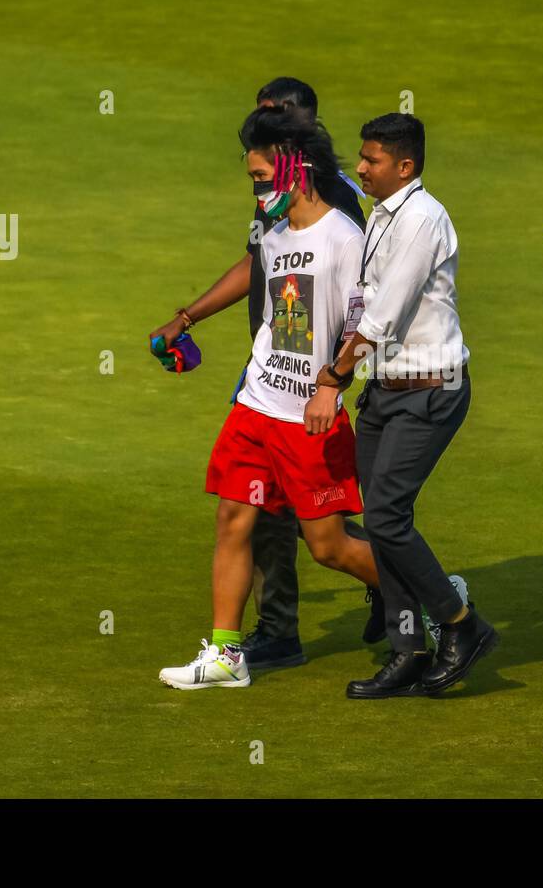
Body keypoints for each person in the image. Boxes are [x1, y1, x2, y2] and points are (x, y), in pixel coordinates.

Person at [156, 108, 380, 689]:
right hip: (257, 404)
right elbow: (286, 323)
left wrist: (333, 386)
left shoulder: (345, 239)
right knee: (233, 519)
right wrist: (189, 321)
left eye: (262, 180)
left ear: (295, 169)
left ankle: (426, 591)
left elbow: (367, 325)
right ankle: (227, 653)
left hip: (309, 418)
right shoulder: (276, 237)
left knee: (328, 547)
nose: (258, 195)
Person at [312, 113, 498, 698]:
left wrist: (331, 380)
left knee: (388, 516)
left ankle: (462, 624)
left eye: (370, 160)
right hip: (388, 391)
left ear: (405, 166)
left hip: (429, 390)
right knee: (382, 521)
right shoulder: (383, 216)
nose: (360, 168)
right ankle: (405, 653)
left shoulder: (420, 218)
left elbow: (383, 315)